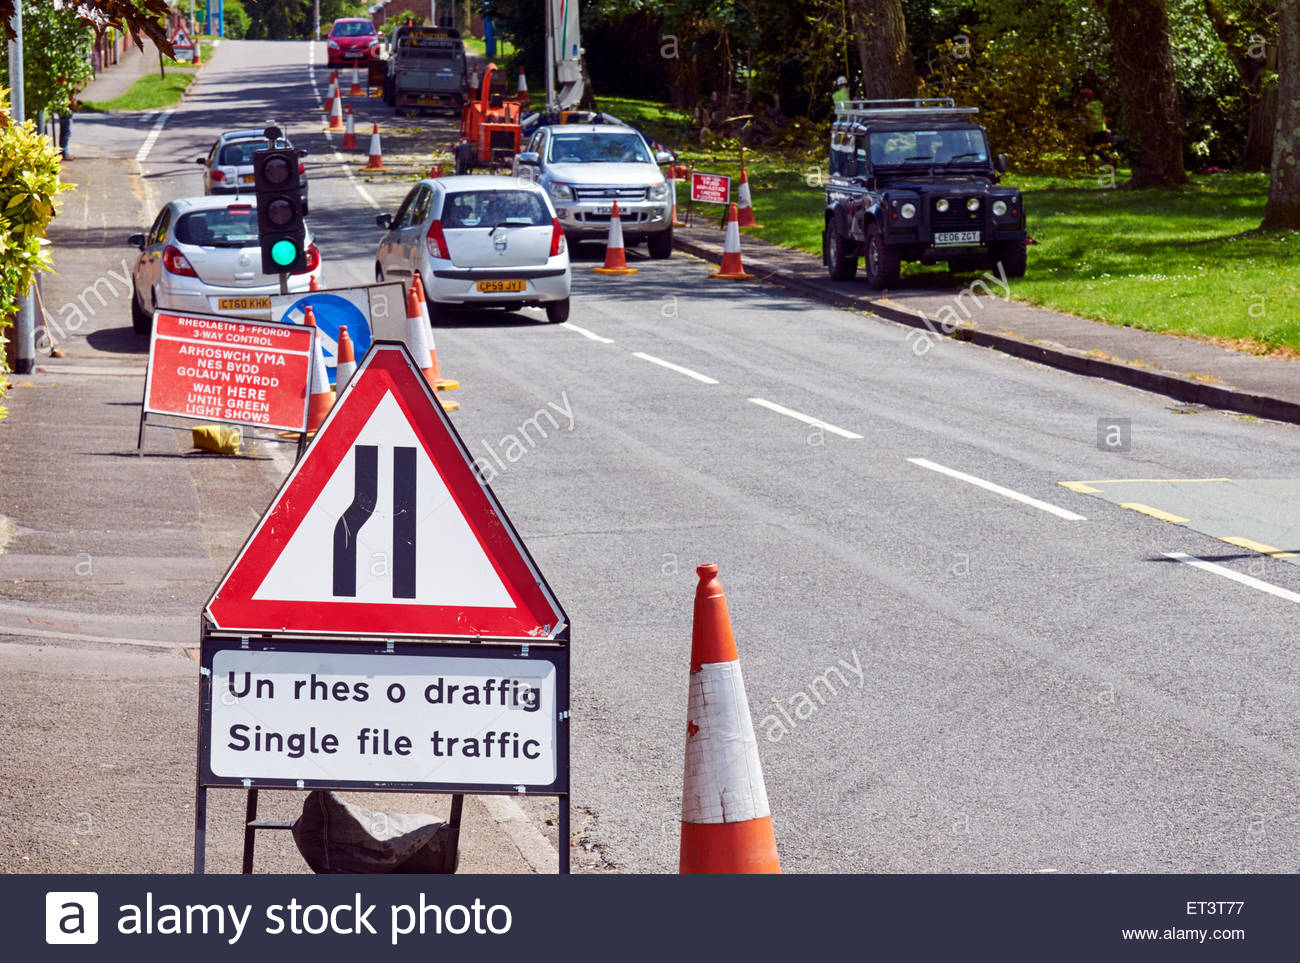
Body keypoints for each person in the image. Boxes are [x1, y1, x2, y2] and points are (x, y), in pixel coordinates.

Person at [1080, 89, 1111, 164]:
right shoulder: (1099, 104)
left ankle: (1090, 163)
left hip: (1092, 131)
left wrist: (1083, 129)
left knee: (1088, 147)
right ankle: (1107, 160)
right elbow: (1104, 117)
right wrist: (1106, 128)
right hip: (1102, 130)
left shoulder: (1086, 107)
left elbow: (1084, 122)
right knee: (1097, 147)